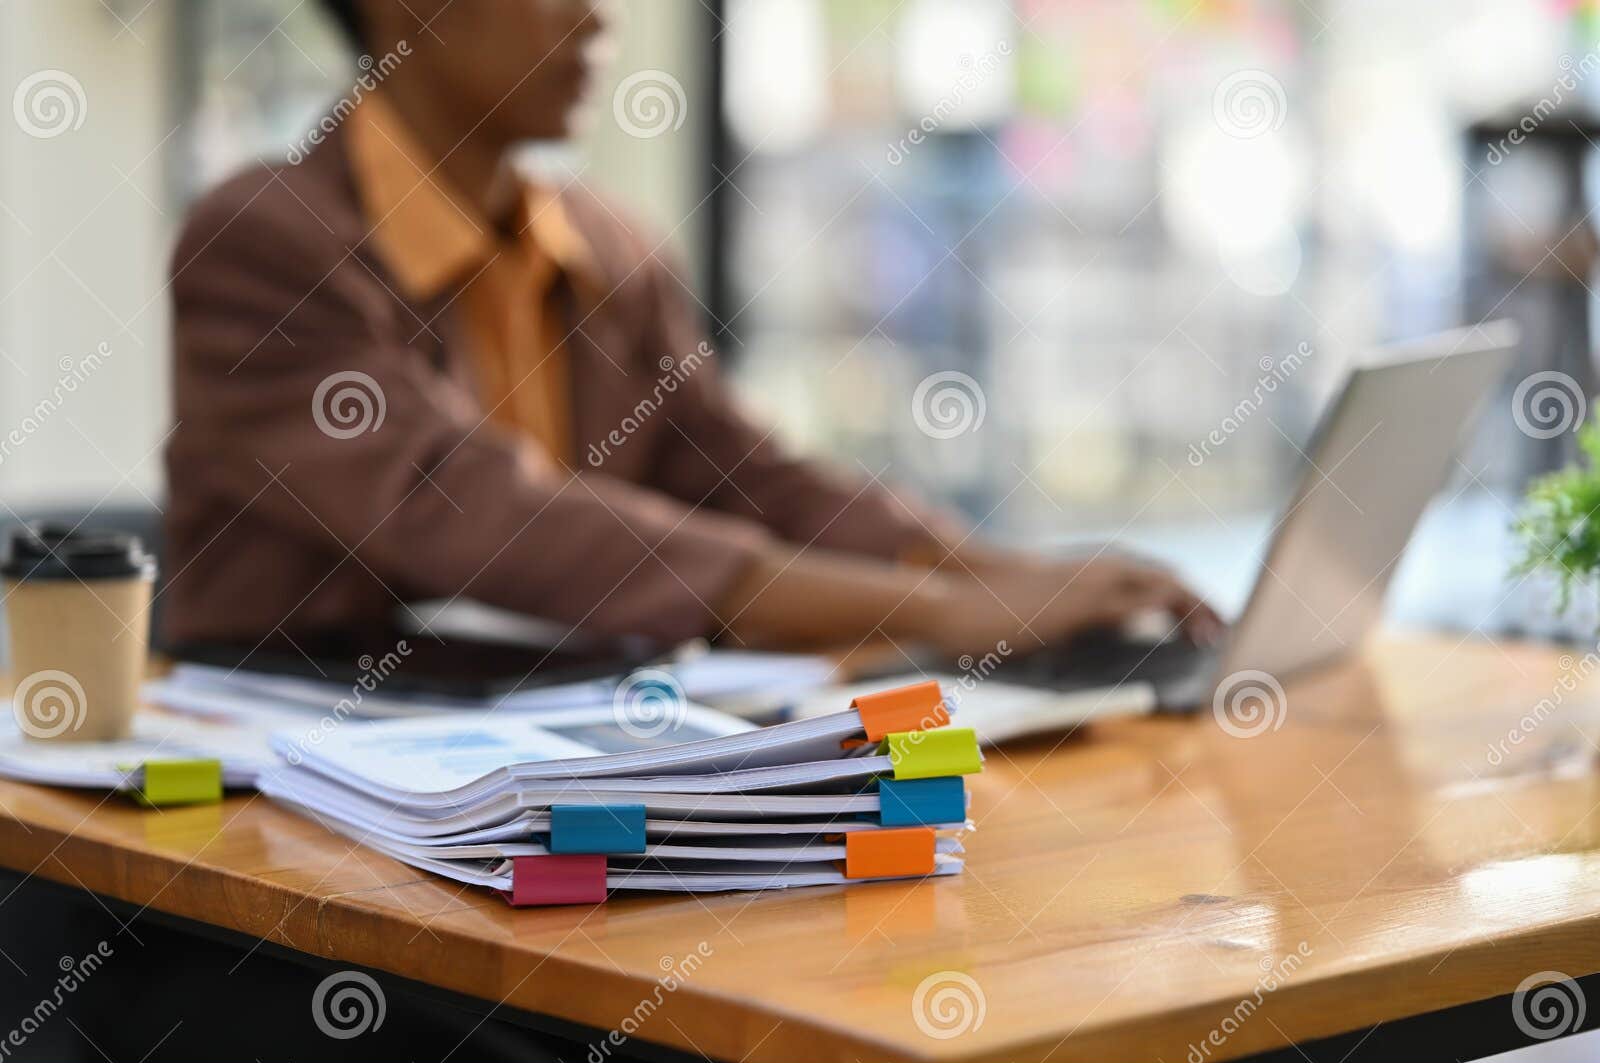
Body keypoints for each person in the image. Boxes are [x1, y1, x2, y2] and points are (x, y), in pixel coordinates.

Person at [163, 0, 1219, 660]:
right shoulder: (261, 242)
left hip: (546, 776)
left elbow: (746, 474)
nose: (595, 19)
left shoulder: (602, 245)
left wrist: (983, 571)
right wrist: (931, 610)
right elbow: (468, 505)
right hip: (290, 837)